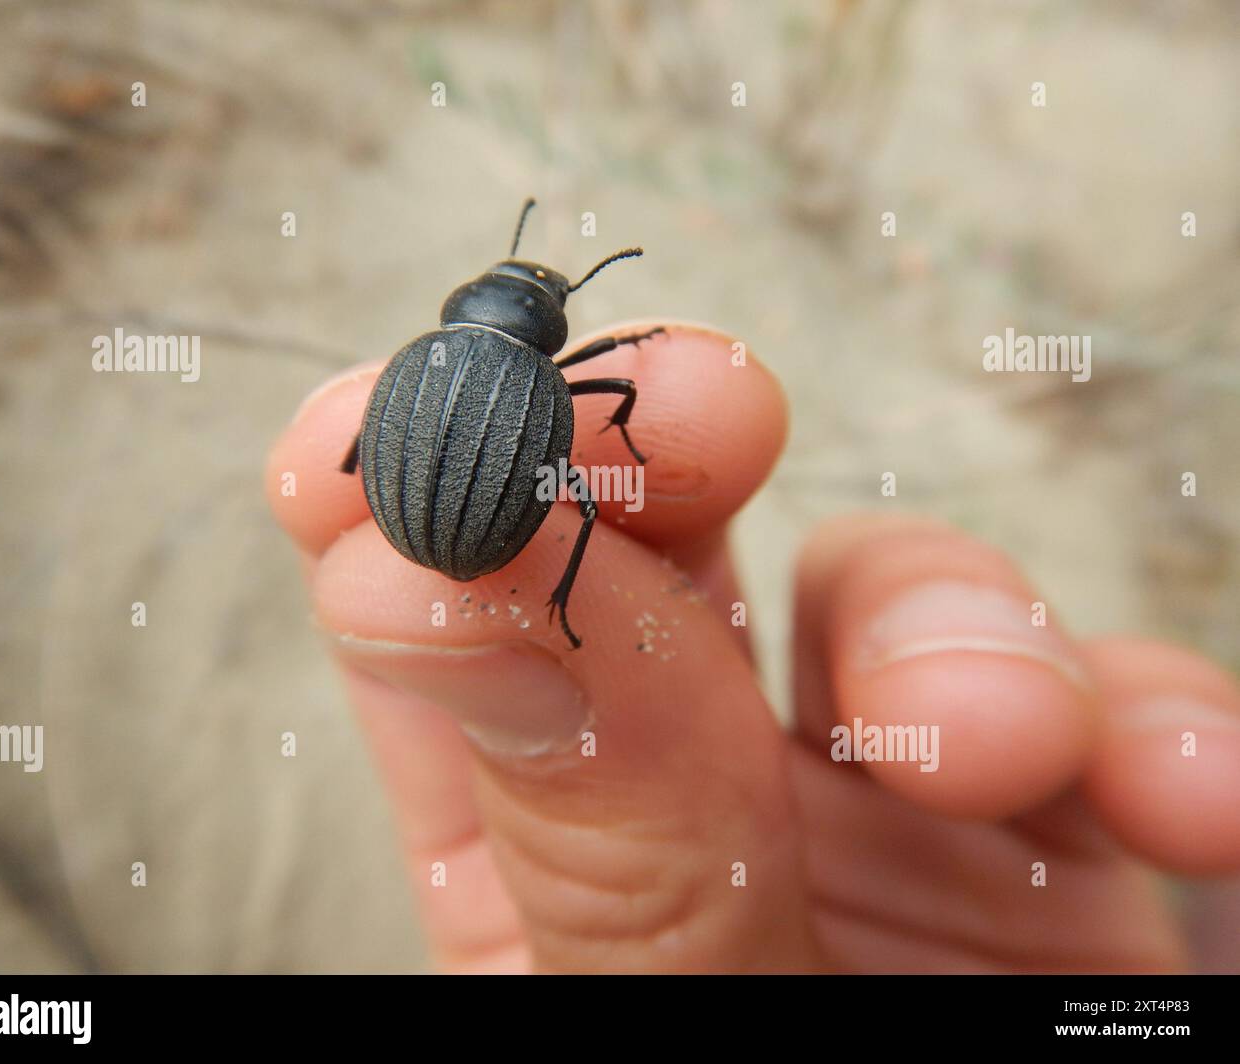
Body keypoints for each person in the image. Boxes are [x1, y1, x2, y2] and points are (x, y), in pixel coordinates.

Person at [266, 324, 1240, 973]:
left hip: (412, 526)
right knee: (579, 514)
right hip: (478, 536)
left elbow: (372, 435)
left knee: (552, 519)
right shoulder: (549, 379)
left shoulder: (423, 363)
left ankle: (558, 620)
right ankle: (559, 618)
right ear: (550, 335)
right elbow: (610, 411)